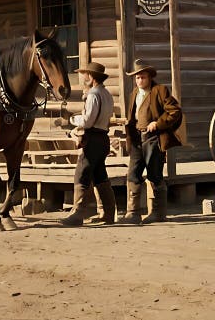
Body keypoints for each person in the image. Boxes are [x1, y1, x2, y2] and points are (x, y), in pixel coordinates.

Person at [119, 59, 183, 224]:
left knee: (155, 174)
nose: (140, 80)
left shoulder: (160, 91)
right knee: (133, 173)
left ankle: (158, 213)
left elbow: (175, 111)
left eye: (143, 77)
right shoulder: (134, 93)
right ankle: (132, 213)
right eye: (137, 77)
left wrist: (158, 123)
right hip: (136, 139)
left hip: (153, 139)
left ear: (150, 77)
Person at [61, 62, 117, 226]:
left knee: (82, 174)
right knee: (100, 176)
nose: (84, 78)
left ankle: (77, 215)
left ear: (92, 77)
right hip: (103, 138)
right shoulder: (106, 94)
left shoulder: (93, 94)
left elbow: (87, 121)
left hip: (93, 139)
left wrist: (72, 119)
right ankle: (108, 213)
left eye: (86, 75)